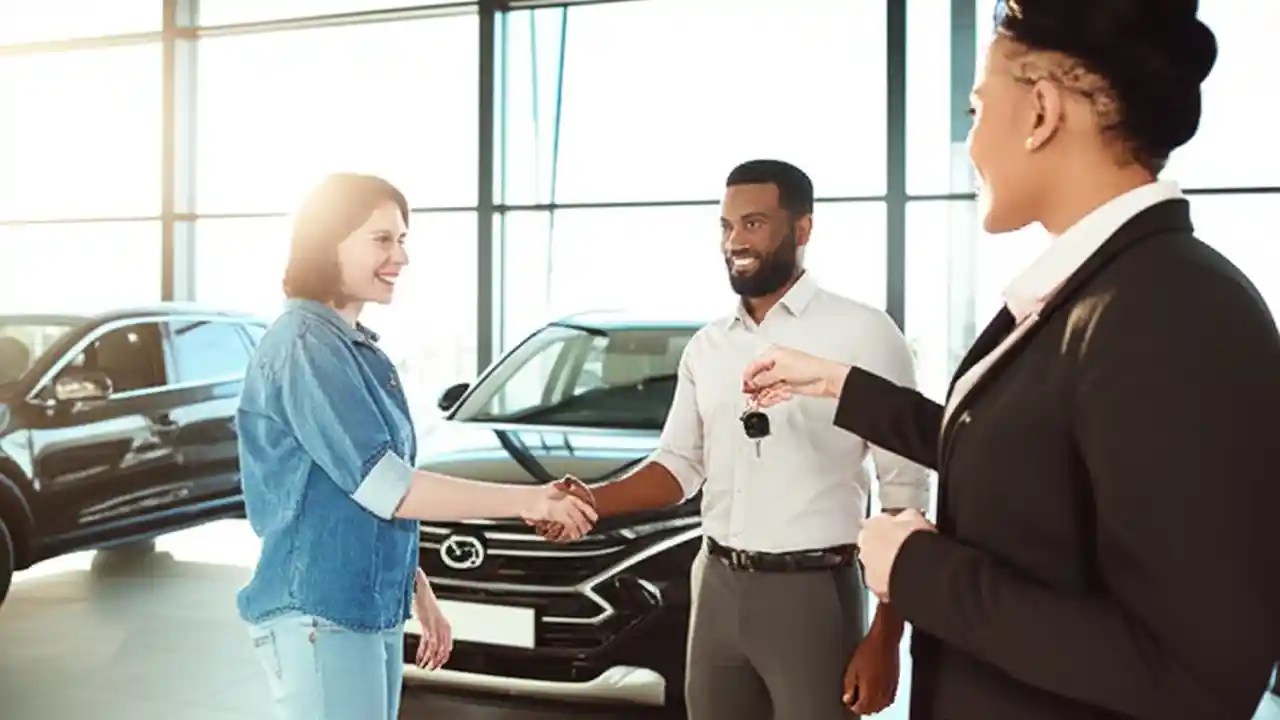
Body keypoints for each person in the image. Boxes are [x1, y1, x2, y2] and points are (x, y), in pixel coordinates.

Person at [743, 2, 1280, 718]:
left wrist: (916, 570)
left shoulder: (1172, 308)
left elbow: (1196, 674)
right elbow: (1022, 458)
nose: (969, 143)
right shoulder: (1105, 290)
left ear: (1041, 112)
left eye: (974, 110)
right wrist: (839, 385)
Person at [540, 159, 931, 718]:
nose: (734, 242)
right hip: (717, 586)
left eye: (754, 224)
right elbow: (679, 464)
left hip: (814, 592)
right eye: (726, 226)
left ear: (802, 229)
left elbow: (905, 494)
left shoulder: (864, 333)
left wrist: (887, 636)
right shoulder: (708, 346)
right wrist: (592, 500)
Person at [235, 173, 597, 720]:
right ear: (328, 242)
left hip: (362, 607)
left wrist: (416, 589)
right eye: (382, 239)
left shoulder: (351, 349)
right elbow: (388, 486)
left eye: (402, 240)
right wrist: (528, 500)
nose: (401, 257)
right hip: (320, 611)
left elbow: (354, 498)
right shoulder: (305, 346)